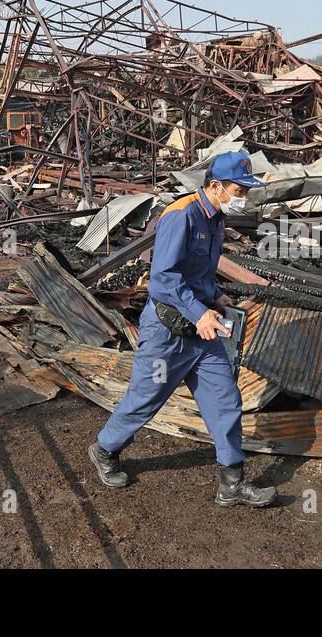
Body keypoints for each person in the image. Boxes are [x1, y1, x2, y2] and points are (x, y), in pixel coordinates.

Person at [88, 151, 276, 507]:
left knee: (224, 401)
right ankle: (104, 449)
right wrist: (198, 312)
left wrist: (216, 296)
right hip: (167, 332)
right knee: (146, 399)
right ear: (216, 186)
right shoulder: (181, 216)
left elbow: (197, 272)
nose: (243, 198)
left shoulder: (216, 218)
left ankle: (232, 483)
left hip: (202, 331)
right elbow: (162, 281)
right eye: (239, 190)